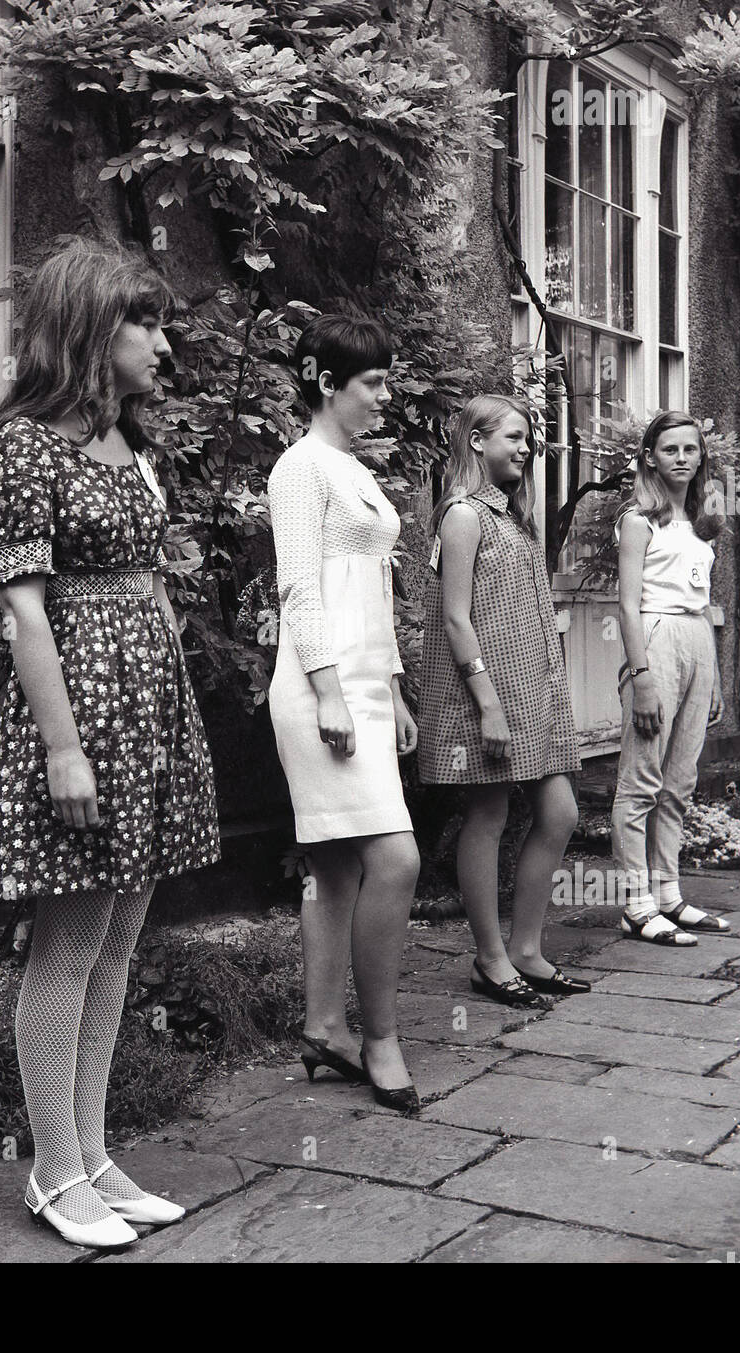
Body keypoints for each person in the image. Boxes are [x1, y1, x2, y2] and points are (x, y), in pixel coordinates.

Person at [0, 240, 220, 1248]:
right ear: (90, 327)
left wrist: (168, 716)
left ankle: (91, 1152)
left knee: (118, 944)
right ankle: (50, 1172)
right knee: (68, 946)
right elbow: (25, 613)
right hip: (78, 710)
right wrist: (62, 749)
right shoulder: (23, 446)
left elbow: (154, 586)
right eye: (145, 323)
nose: (161, 344)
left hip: (147, 712)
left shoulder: (127, 444)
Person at [266, 314, 422, 1115]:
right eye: (373, 383)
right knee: (395, 859)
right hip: (316, 684)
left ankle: (325, 1026)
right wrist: (328, 688)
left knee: (336, 868)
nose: (385, 398)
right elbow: (298, 587)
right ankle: (381, 1037)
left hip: (363, 682)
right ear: (327, 382)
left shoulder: (351, 469)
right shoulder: (300, 468)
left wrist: (389, 688)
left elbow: (373, 590)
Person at [417, 394, 586, 1005]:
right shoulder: (463, 515)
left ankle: (527, 950)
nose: (524, 449)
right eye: (512, 437)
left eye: (526, 439)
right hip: (486, 694)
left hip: (531, 691)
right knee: (487, 815)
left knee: (560, 813)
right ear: (475, 442)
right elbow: (456, 619)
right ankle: (489, 960)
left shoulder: (511, 515)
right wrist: (487, 702)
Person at [610, 411, 731, 946]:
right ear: (650, 457)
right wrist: (641, 677)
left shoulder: (705, 524)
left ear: (701, 456)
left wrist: (718, 677)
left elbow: (705, 605)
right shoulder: (639, 519)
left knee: (679, 782)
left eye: (690, 449)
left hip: (696, 642)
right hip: (655, 641)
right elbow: (629, 606)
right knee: (642, 781)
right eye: (670, 449)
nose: (681, 458)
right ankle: (636, 904)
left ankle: (668, 895)